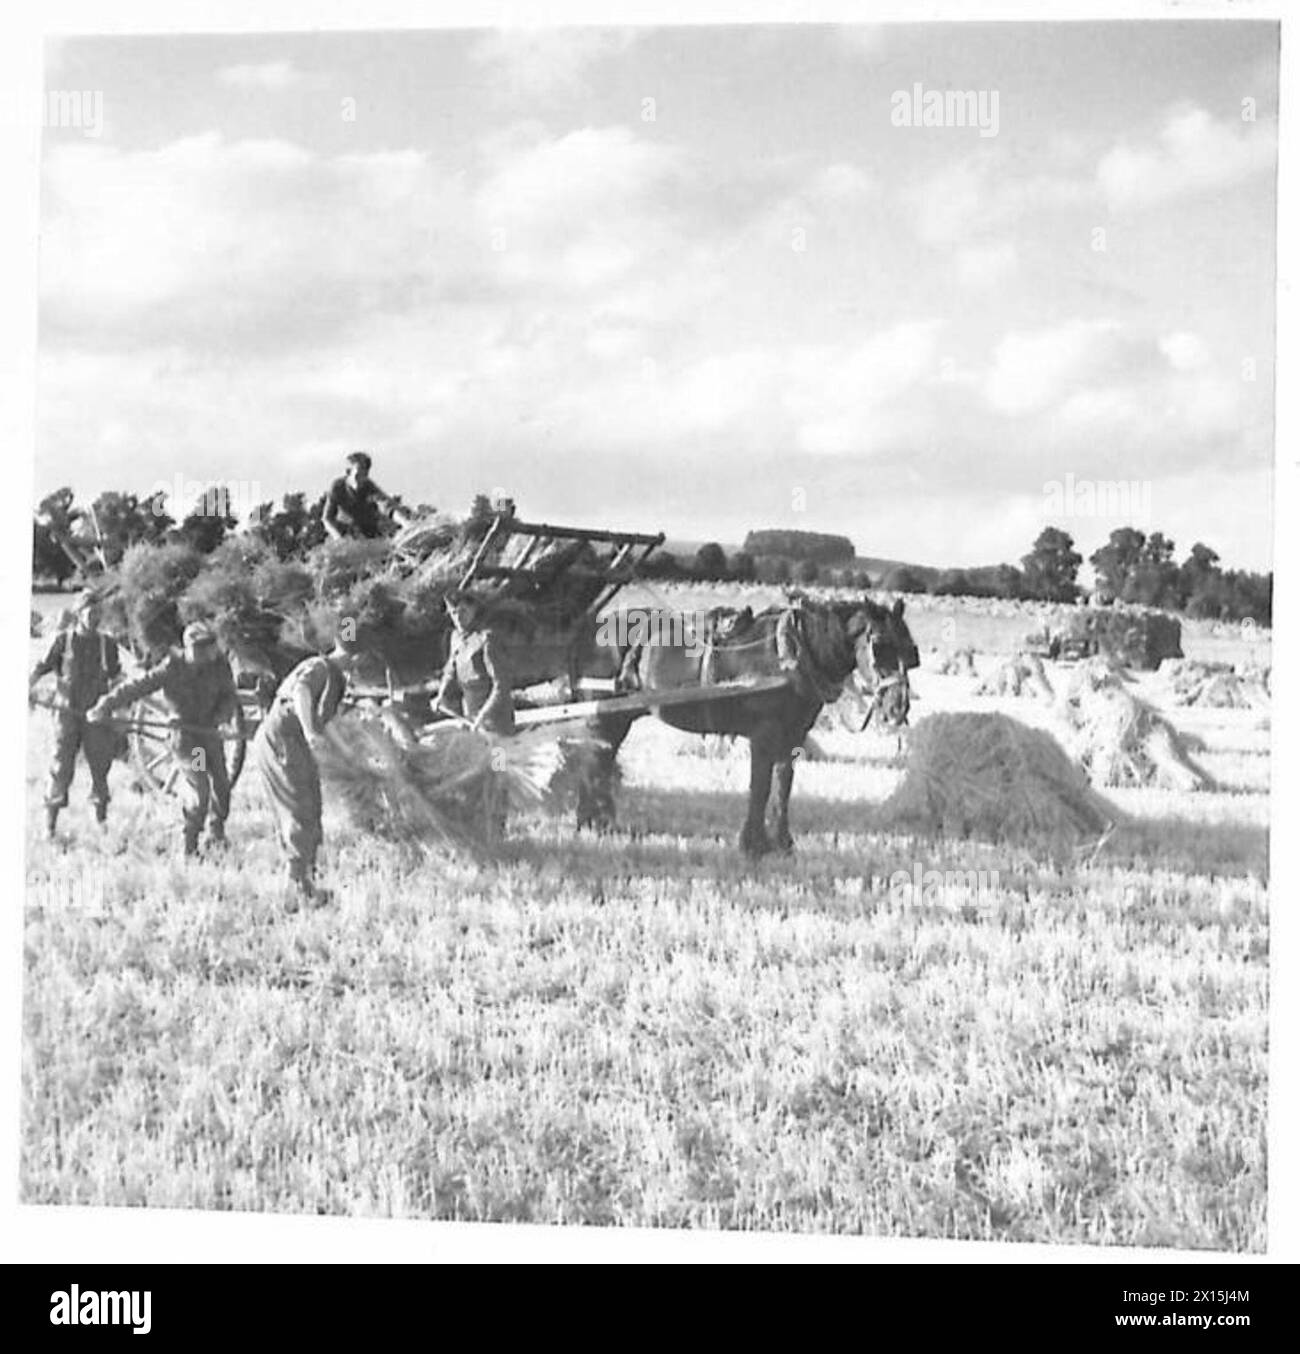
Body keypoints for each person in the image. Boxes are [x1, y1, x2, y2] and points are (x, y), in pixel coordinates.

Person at [88, 621, 240, 856]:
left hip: (210, 735)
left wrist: (222, 717)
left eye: (209, 648)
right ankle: (189, 845)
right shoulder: (173, 667)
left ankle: (215, 833)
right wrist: (104, 705)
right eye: (201, 649)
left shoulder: (219, 665)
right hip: (190, 742)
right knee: (201, 790)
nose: (207, 654)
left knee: (221, 785)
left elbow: (230, 696)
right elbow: (137, 686)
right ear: (188, 649)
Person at [249, 636, 366, 907]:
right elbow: (301, 692)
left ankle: (307, 881)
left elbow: (330, 724)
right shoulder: (320, 668)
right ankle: (297, 888)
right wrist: (310, 731)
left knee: (312, 807)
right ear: (353, 658)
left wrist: (348, 756)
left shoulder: (337, 680)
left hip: (295, 742)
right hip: (282, 740)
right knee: (298, 809)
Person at [29, 590, 123, 837]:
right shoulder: (63, 641)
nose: (95, 618)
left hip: (97, 715)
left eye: (99, 613)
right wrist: (27, 686)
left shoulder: (108, 644)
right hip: (66, 714)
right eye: (91, 613)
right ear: (79, 614)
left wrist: (120, 705)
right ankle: (50, 825)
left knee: (100, 767)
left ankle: (100, 822)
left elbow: (117, 678)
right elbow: (40, 667)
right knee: (61, 766)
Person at [433, 591, 516, 735]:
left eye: (463, 611)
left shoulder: (486, 639)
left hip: (495, 719)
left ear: (473, 610)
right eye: (453, 613)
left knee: (498, 756)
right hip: (471, 716)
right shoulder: (456, 638)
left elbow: (501, 685)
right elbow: (450, 670)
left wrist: (483, 716)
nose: (458, 618)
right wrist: (440, 695)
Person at [322, 451, 412, 540]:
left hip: (369, 535)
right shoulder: (337, 487)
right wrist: (338, 538)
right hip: (345, 535)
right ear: (348, 472)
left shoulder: (369, 487)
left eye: (364, 475)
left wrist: (406, 524)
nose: (360, 481)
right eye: (357, 476)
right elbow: (327, 518)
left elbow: (388, 507)